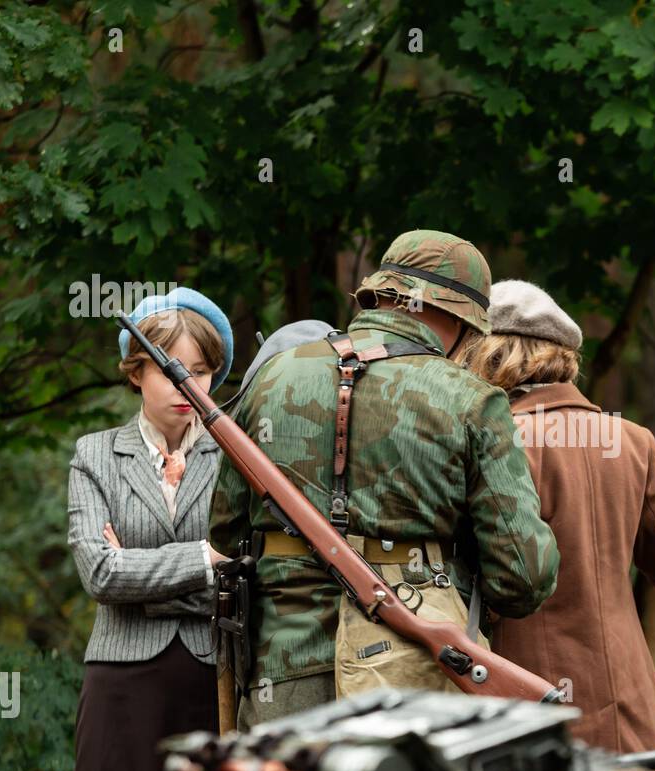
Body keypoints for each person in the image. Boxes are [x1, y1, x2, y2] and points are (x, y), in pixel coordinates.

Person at [208, 230, 560, 730]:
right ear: (462, 319)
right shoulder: (473, 400)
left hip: (280, 675)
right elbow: (524, 577)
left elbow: (223, 534)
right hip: (413, 681)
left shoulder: (272, 377)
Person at [459, 279, 655, 752]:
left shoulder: (489, 444)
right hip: (629, 710)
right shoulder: (630, 441)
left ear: (488, 357)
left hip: (527, 714)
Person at [67, 289, 233, 771]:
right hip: (120, 683)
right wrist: (206, 558)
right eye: (171, 371)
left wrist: (139, 585)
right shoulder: (95, 454)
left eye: (200, 372)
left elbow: (249, 573)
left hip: (216, 680)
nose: (188, 386)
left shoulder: (237, 456)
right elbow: (100, 573)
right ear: (136, 371)